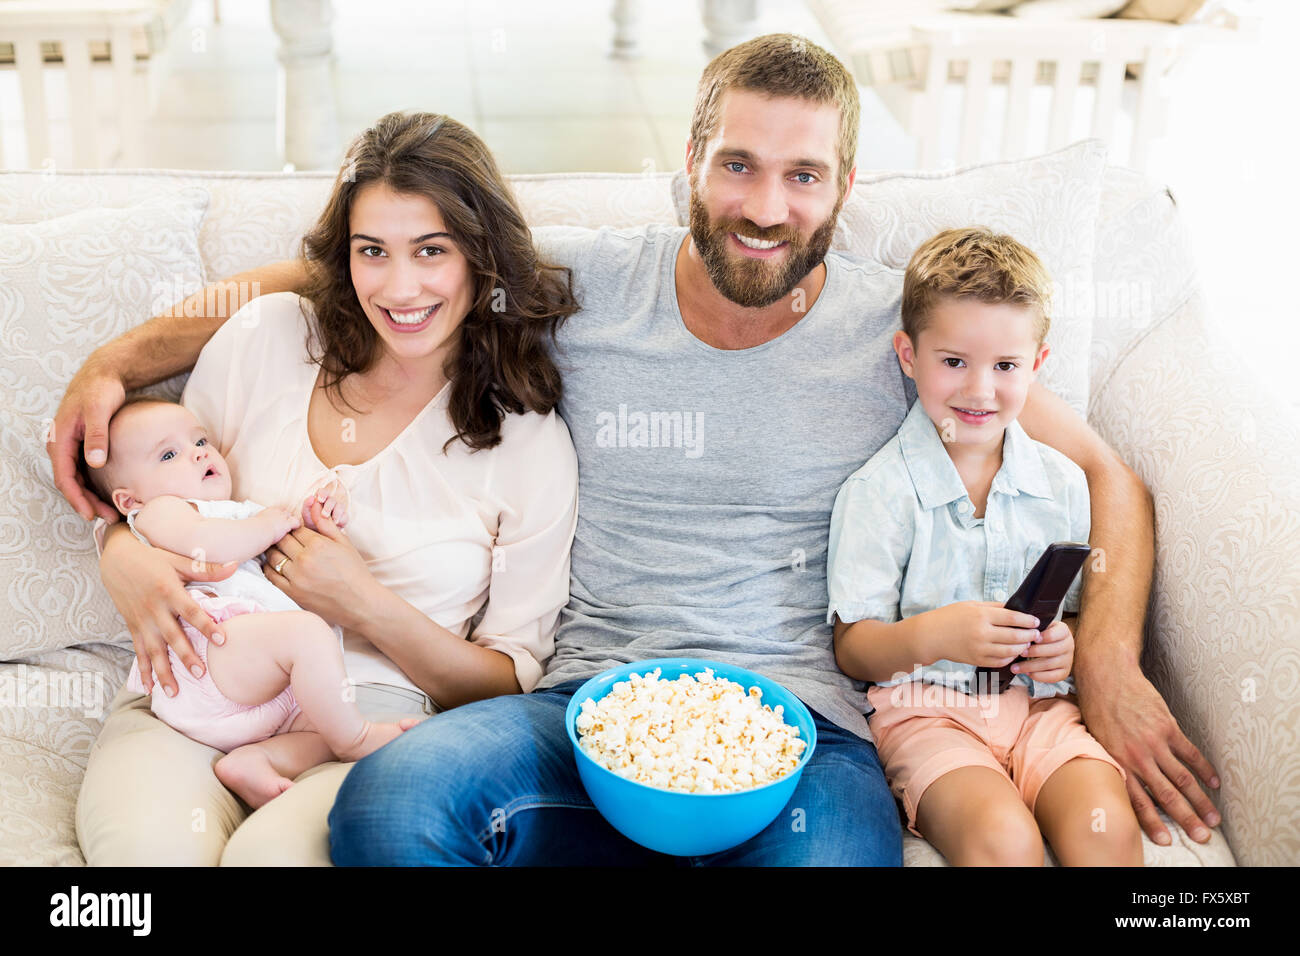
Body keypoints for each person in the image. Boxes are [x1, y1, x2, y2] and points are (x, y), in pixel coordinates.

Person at [50, 34, 1220, 862]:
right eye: (738, 165)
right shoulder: (588, 286)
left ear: (844, 189)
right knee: (387, 811)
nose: (764, 205)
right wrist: (118, 359)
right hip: (578, 701)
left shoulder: (905, 334)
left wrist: (1108, 665)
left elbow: (1105, 473)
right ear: (690, 169)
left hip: (803, 726)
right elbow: (373, 262)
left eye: (802, 174)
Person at [62, 111, 581, 864]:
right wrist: (122, 555)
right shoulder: (268, 337)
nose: (400, 288)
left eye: (431, 251)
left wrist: (362, 603)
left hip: (362, 721)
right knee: (146, 859)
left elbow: (506, 683)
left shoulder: (526, 439)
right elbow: (155, 495)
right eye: (373, 251)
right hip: (197, 680)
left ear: (481, 255)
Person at [827, 227, 1143, 865]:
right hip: (926, 714)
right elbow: (853, 646)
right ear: (908, 356)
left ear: (1037, 366)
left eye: (1005, 366)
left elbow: (1072, 611)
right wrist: (936, 635)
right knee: (1004, 842)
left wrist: (1066, 644)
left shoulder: (1062, 483)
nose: (979, 391)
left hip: (1041, 712)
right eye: (953, 362)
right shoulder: (879, 491)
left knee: (1105, 832)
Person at [83, 397, 419, 808]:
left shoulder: (235, 510)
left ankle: (255, 760)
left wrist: (317, 515)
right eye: (169, 454)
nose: (199, 453)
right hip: (208, 657)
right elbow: (215, 547)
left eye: (200, 440)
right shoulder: (160, 513)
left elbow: (275, 536)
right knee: (308, 637)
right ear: (129, 501)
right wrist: (270, 523)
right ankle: (357, 738)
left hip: (253, 684)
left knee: (321, 721)